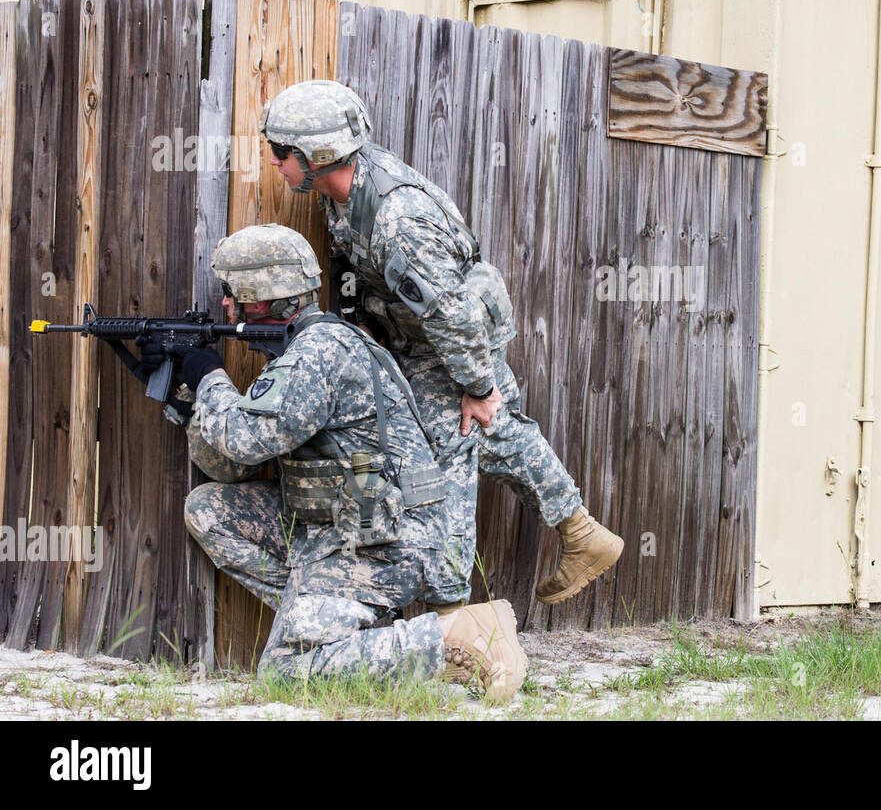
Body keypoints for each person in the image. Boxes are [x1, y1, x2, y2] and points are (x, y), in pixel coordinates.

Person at [260, 79, 623, 605]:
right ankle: (582, 534)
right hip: (423, 332)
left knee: (447, 451)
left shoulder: (398, 220)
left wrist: (477, 385)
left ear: (317, 155)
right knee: (493, 436)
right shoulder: (342, 190)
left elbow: (450, 316)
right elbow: (355, 265)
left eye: (279, 152)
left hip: (451, 340)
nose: (274, 163)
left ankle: (452, 613)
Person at [149, 222, 527, 701]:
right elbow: (229, 468)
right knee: (209, 509)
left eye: (231, 292)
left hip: (388, 539)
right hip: (343, 525)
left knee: (285, 673)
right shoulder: (300, 351)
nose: (225, 304)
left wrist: (209, 376)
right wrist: (184, 399)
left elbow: (243, 440)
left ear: (261, 296)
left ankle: (456, 637)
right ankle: (358, 636)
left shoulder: (319, 353)